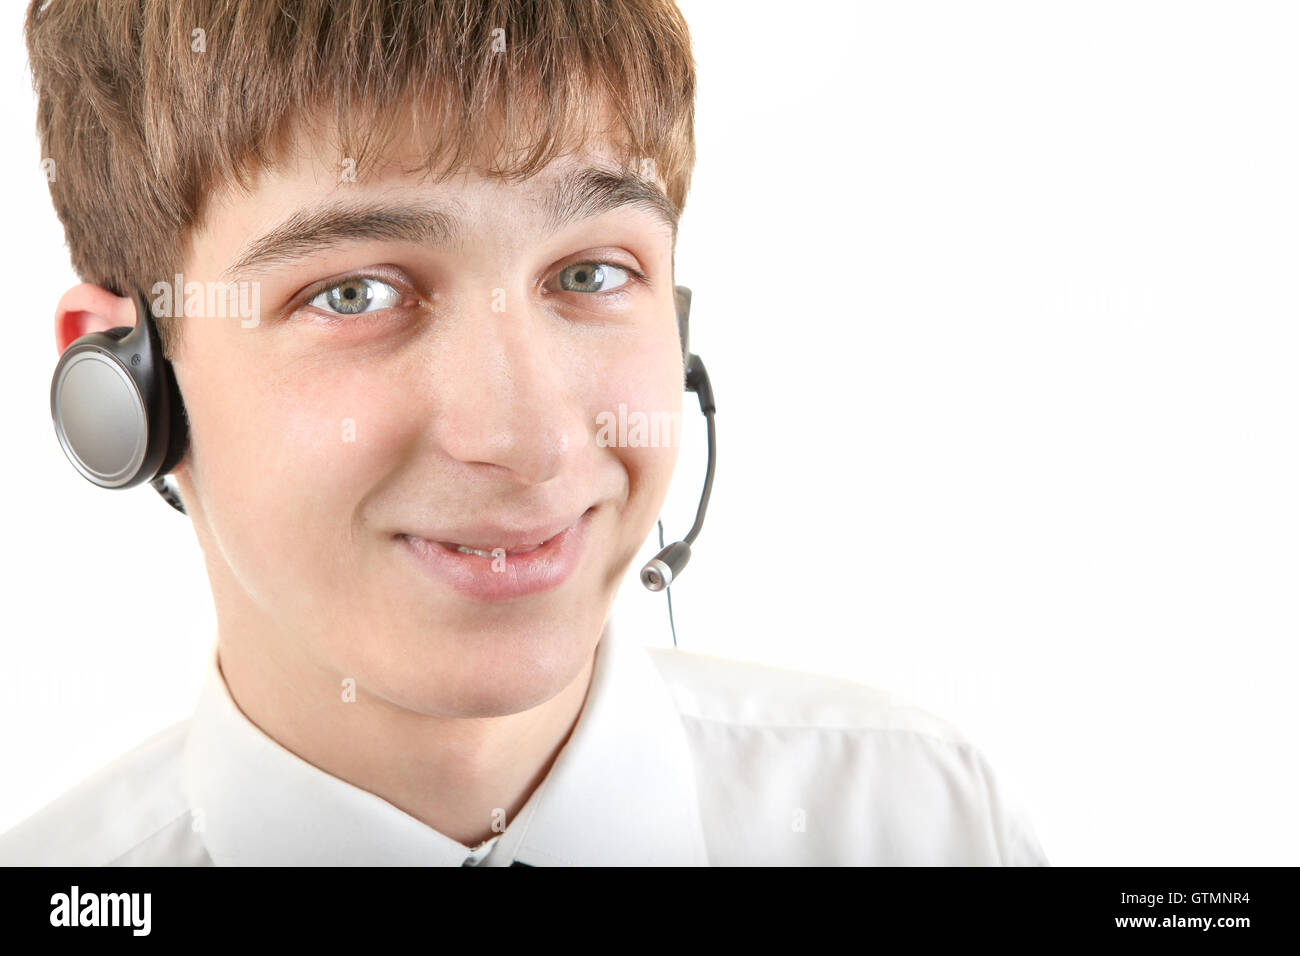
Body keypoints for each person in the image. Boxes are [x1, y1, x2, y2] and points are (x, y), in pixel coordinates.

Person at [0, 0, 1048, 866]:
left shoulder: (925, 824)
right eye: (356, 292)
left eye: (591, 273)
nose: (530, 439)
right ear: (127, 385)